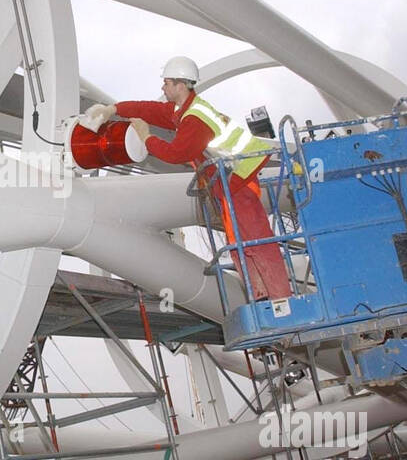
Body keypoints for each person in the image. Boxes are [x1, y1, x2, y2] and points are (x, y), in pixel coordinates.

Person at [80, 57, 292, 300]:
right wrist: (114, 109)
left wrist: (147, 137)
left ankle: (280, 300)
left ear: (180, 85)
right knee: (240, 244)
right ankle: (263, 298)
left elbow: (177, 153)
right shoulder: (185, 110)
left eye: (167, 83)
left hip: (238, 181)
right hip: (229, 184)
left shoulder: (195, 120)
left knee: (256, 241)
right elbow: (150, 109)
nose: (163, 88)